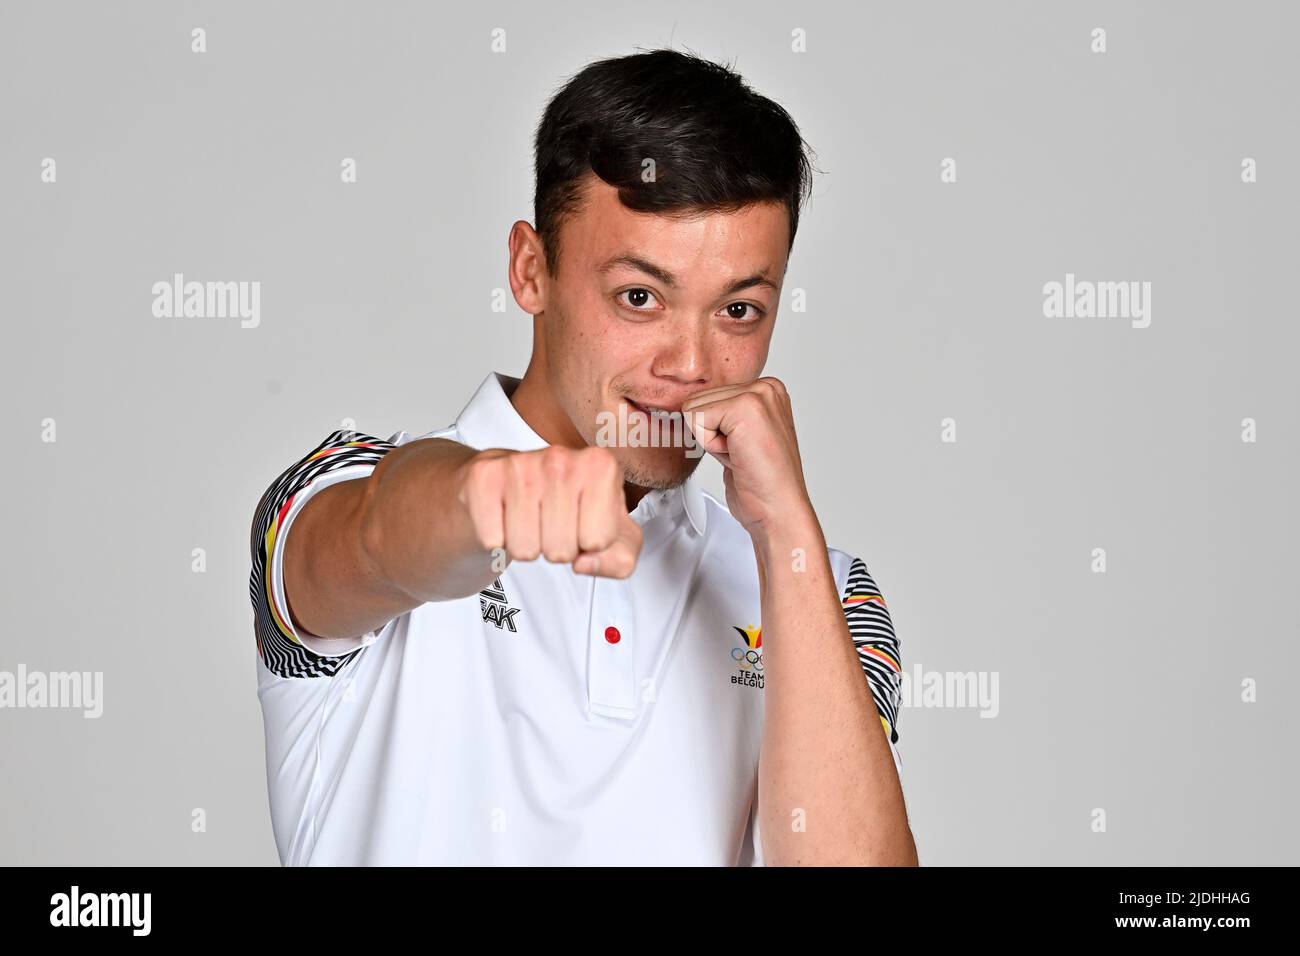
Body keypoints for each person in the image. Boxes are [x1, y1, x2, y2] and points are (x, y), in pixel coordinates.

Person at [249, 47, 917, 866]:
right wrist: (484, 501)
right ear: (532, 270)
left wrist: (786, 539)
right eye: (640, 297)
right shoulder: (342, 488)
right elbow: (379, 535)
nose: (691, 365)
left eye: (739, 309)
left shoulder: (827, 592)